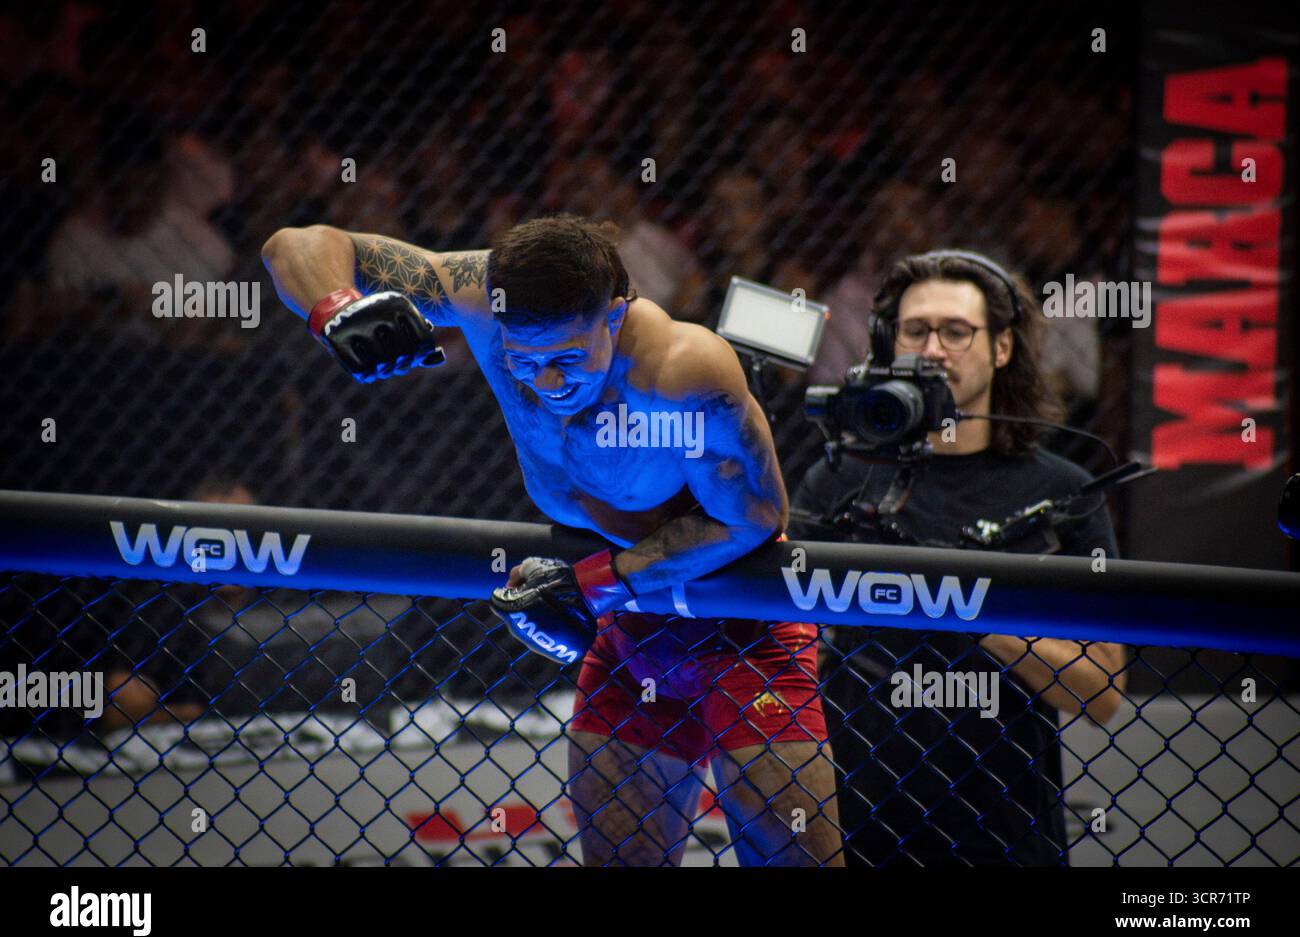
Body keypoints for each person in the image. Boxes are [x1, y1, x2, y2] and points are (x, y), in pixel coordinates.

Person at [261, 214, 841, 866]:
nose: (547, 381)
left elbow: (753, 517)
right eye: (525, 359)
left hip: (741, 627)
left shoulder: (682, 372)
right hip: (631, 629)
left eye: (567, 357)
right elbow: (298, 244)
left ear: (614, 316)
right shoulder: (481, 300)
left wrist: (595, 580)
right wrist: (338, 309)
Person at [791, 249, 1128, 866]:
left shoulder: (1060, 490)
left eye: (956, 331)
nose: (935, 348)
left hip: (1003, 832)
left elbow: (1102, 692)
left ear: (1001, 348)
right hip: (855, 828)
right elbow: (786, 654)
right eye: (916, 331)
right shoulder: (839, 480)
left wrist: (968, 608)